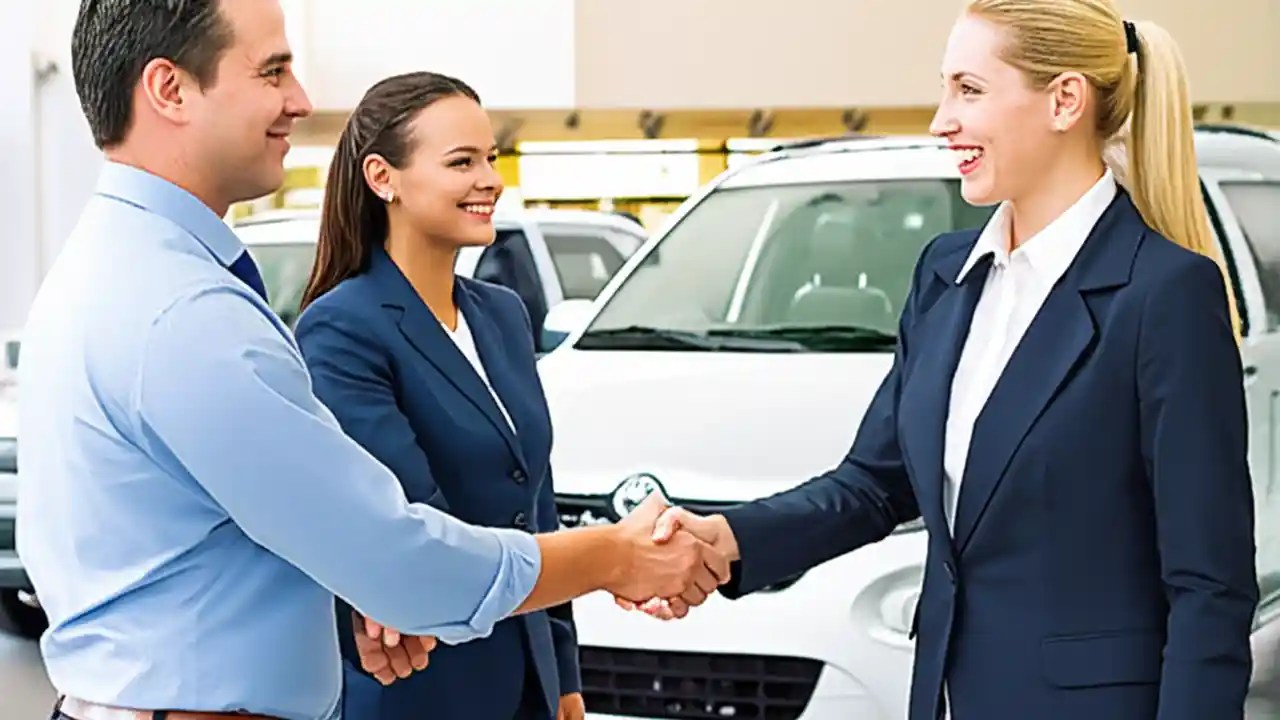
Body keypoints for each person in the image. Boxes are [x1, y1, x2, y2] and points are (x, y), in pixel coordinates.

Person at [16, 3, 727, 720]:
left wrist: (362, 595)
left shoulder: (110, 270)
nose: (300, 100)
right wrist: (616, 556)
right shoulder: (184, 311)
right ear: (169, 89)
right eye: (272, 72)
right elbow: (403, 558)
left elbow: (251, 533)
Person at [633, 2, 1260, 719]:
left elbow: (1210, 585)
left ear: (1064, 100)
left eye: (969, 89)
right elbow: (874, 484)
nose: (941, 120)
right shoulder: (946, 273)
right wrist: (728, 540)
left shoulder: (1163, 293)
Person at [291, 72, 581, 720]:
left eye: (491, 159)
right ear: (382, 177)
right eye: (462, 162)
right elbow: (418, 529)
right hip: (423, 691)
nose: (490, 180)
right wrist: (613, 558)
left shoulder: (502, 314)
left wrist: (564, 676)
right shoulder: (342, 329)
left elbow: (536, 507)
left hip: (528, 684)